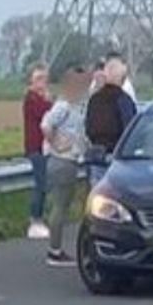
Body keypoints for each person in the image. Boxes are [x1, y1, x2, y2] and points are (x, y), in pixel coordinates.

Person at [40, 65, 91, 267]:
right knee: (60, 206)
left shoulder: (75, 105)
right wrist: (56, 143)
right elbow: (46, 125)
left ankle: (56, 248)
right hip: (63, 160)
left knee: (63, 204)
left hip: (69, 160)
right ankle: (55, 250)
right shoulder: (63, 106)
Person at [85, 52, 138, 176]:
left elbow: (88, 128)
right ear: (122, 78)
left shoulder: (94, 99)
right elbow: (130, 130)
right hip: (117, 157)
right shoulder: (124, 100)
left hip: (96, 156)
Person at [21, 63, 52, 240]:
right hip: (36, 148)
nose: (43, 82)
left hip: (45, 147)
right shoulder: (32, 99)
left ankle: (40, 218)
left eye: (44, 78)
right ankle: (35, 221)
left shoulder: (41, 98)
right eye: (38, 78)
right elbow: (46, 113)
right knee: (41, 184)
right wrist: (48, 101)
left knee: (44, 184)